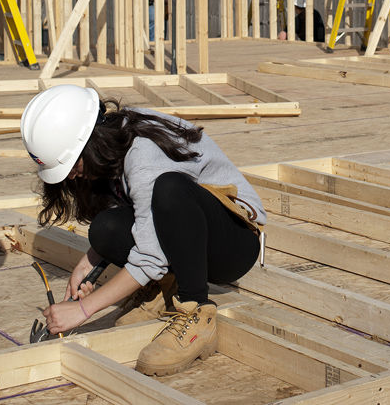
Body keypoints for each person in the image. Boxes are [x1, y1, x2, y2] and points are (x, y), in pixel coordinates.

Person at [22, 85, 264, 376]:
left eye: (72, 165)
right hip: (190, 232)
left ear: (89, 142)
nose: (72, 175)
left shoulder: (145, 157)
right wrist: (89, 262)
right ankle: (162, 290)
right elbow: (139, 219)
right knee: (104, 231)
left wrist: (83, 310)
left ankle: (196, 310)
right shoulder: (115, 138)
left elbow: (150, 254)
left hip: (234, 242)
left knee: (169, 189)